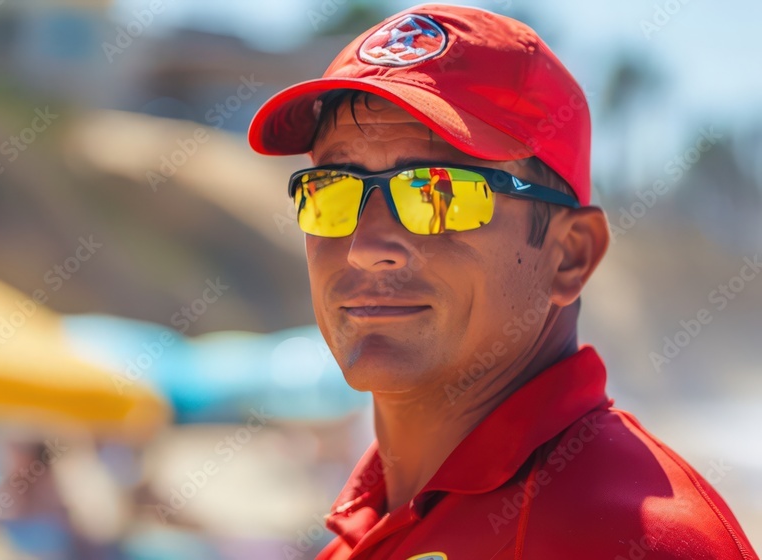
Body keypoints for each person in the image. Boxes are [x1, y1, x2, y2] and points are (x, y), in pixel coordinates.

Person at [247, 5, 758, 559]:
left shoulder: (631, 540)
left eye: (439, 192)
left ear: (570, 255)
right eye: (330, 190)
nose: (365, 248)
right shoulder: (362, 532)